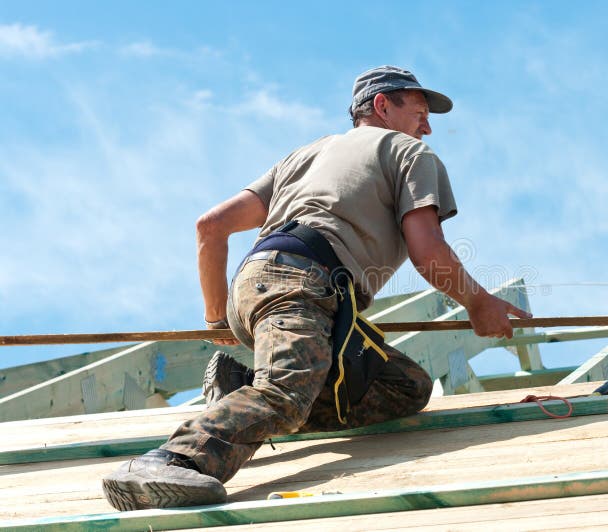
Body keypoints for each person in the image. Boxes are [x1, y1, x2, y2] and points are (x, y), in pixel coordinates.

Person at [101, 65, 530, 511]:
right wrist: (478, 303)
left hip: (259, 285)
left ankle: (240, 387)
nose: (427, 126)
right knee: (286, 392)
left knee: (405, 387)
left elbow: (211, 227)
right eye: (419, 111)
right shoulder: (408, 152)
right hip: (307, 283)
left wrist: (218, 320)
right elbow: (428, 250)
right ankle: (173, 460)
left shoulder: (304, 155)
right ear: (382, 105)